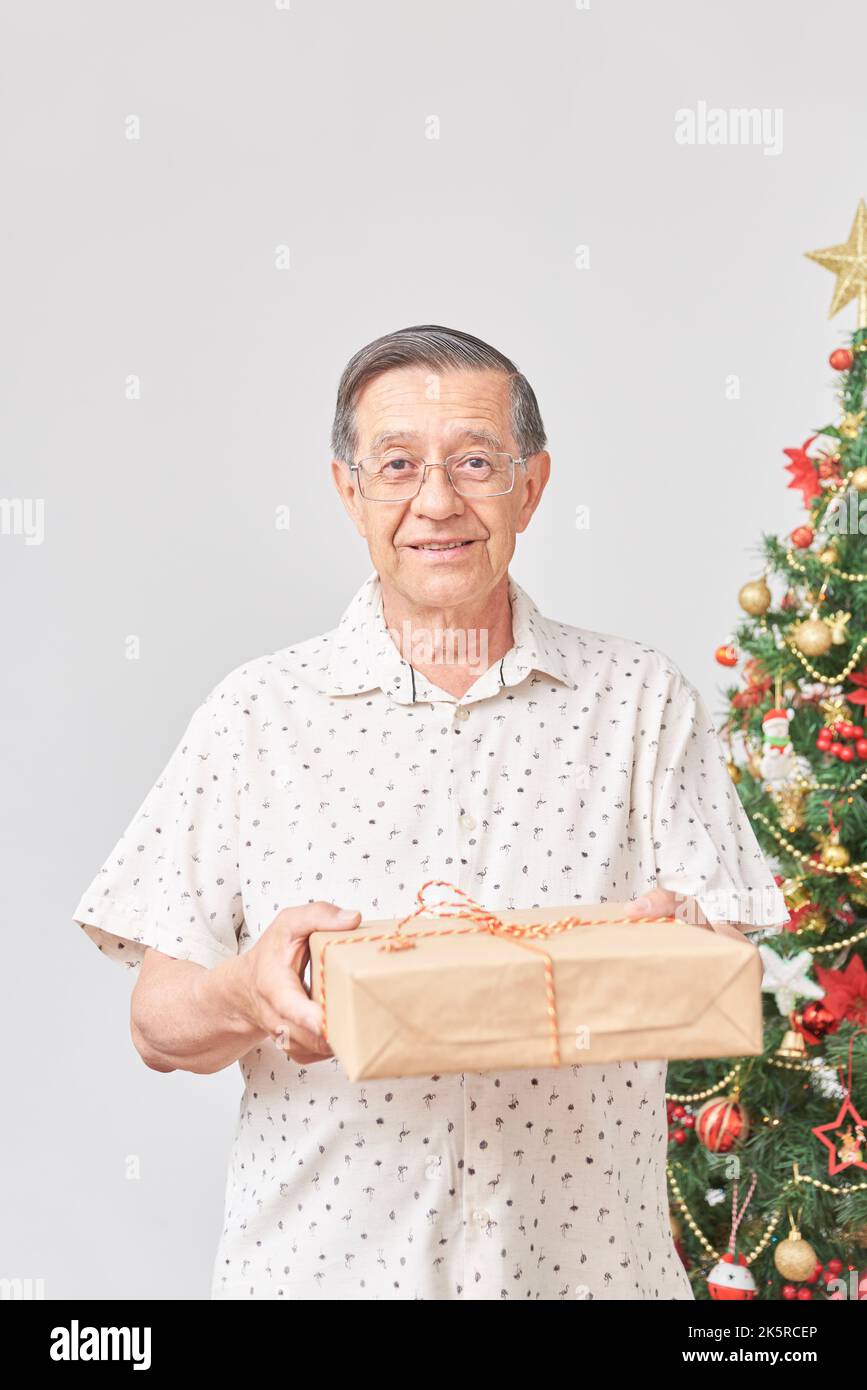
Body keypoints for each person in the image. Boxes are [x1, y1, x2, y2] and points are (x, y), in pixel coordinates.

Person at [72, 323, 790, 1300]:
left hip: (583, 1275)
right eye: (399, 464)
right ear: (348, 490)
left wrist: (683, 947)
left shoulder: (641, 700)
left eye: (476, 462)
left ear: (530, 486)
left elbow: (729, 965)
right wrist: (249, 991)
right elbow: (157, 1024)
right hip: (328, 1278)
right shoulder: (257, 715)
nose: (437, 501)